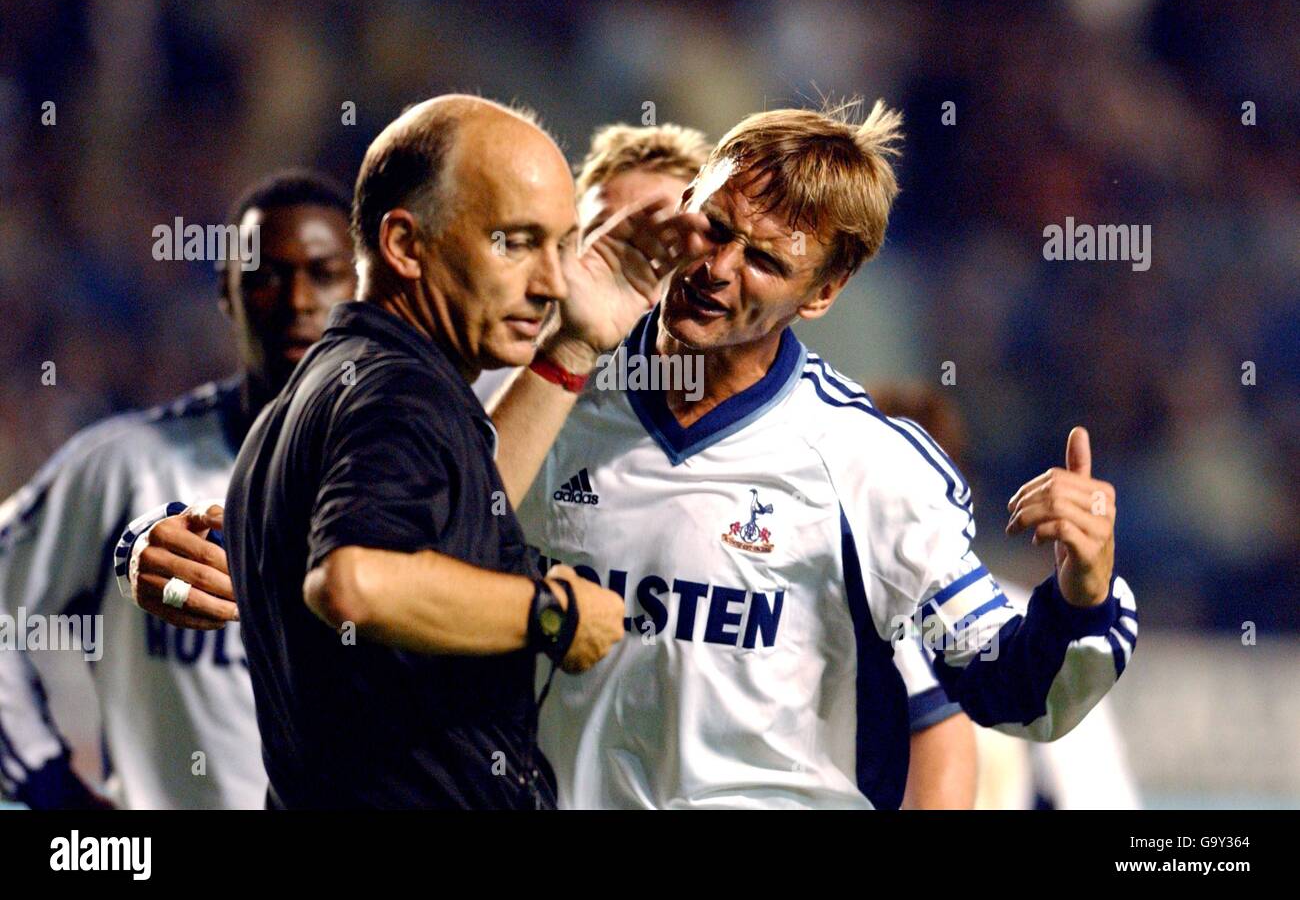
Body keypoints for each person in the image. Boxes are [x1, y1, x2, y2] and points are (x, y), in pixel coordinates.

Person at [123, 118, 978, 809]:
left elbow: (937, 721)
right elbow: (351, 513)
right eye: (573, 242)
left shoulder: (837, 470)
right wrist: (157, 545)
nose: (582, 276)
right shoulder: (507, 377)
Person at [488, 99, 1138, 808]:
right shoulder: (547, 397)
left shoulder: (871, 466)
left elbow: (1015, 694)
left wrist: (1084, 591)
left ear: (823, 293)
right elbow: (424, 570)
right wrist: (565, 353)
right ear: (686, 203)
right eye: (714, 227)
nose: (718, 268)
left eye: (765, 260)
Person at [221, 95, 630, 809]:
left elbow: (440, 531)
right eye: (515, 241)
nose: (553, 284)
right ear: (406, 245)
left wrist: (572, 351)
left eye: (562, 246)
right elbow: (354, 583)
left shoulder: (326, 386)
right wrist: (553, 612)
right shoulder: (399, 394)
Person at [0, 170, 357, 808]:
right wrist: (48, 785)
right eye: (267, 275)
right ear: (227, 293)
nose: (299, 298)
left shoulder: (413, 477)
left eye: (325, 273)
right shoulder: (126, 469)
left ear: (363, 294)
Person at [867, 381, 1141, 810]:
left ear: (955, 495)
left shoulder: (1023, 635)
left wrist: (1083, 601)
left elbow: (1096, 797)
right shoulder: (813, 612)